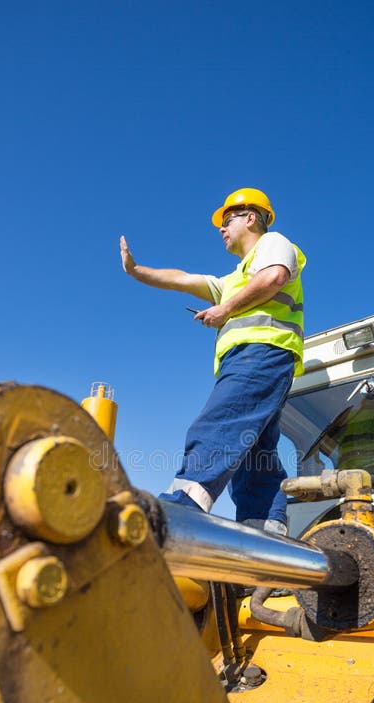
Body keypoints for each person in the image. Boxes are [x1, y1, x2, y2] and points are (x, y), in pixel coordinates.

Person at [120, 188, 306, 535]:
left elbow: (276, 276)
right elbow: (181, 279)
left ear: (251, 217)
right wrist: (136, 270)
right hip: (259, 357)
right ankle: (265, 530)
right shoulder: (234, 279)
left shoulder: (275, 242)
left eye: (227, 220)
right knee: (257, 453)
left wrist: (225, 309)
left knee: (217, 425)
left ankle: (184, 504)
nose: (221, 228)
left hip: (261, 352)